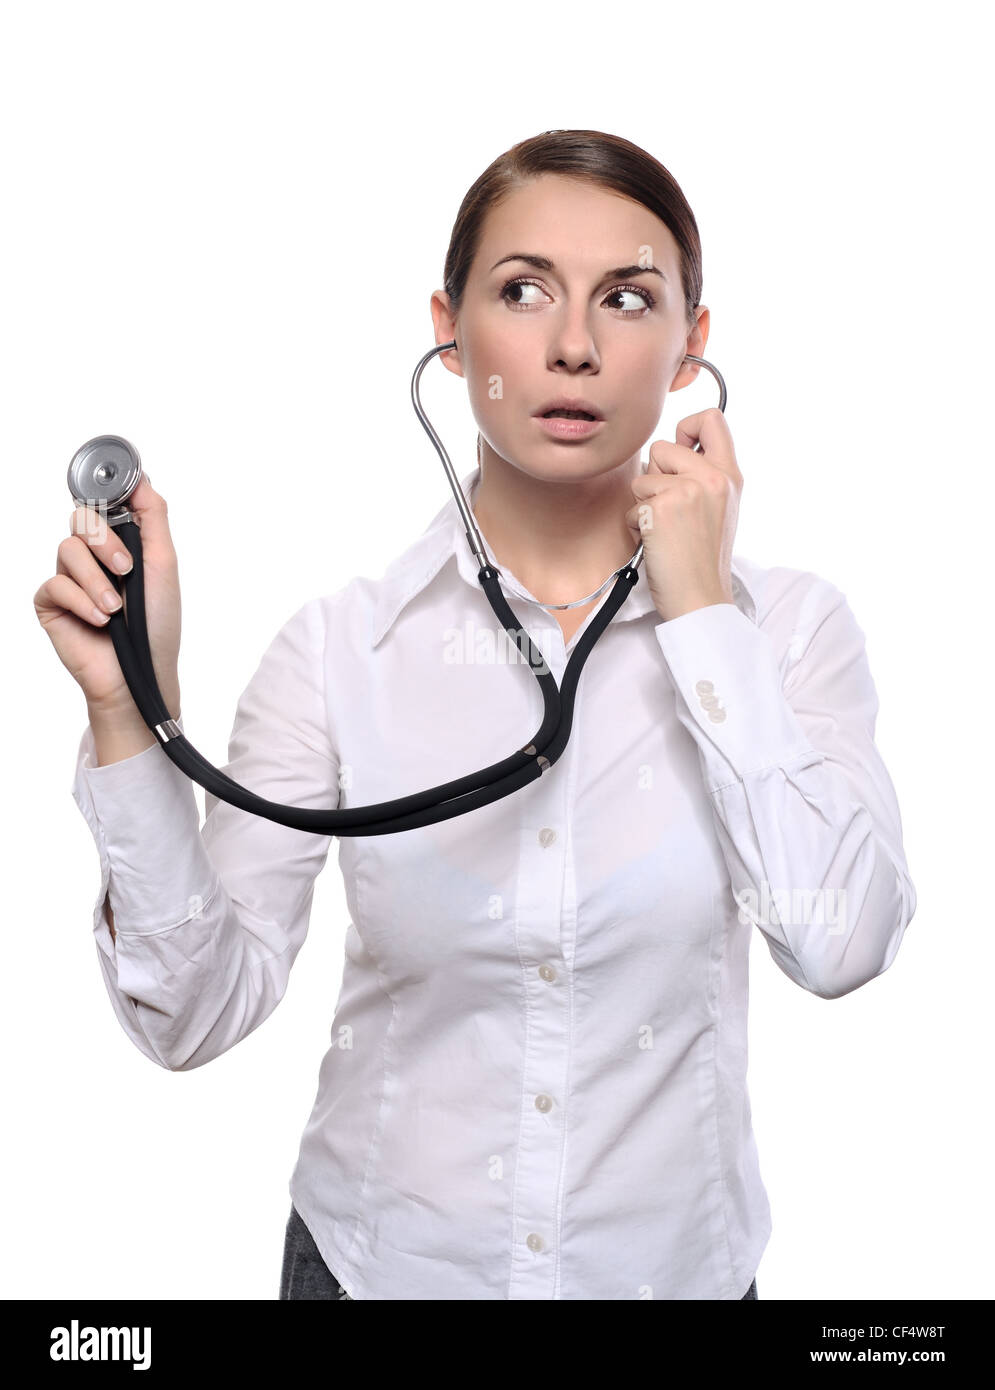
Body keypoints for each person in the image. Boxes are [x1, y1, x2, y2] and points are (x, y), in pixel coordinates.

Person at [35, 129, 916, 1301]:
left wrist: (700, 608)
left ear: (690, 345)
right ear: (449, 332)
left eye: (626, 298)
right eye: (522, 291)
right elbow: (190, 1013)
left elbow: (842, 943)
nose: (571, 346)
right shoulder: (340, 651)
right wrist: (128, 712)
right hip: (375, 1272)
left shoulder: (787, 631)